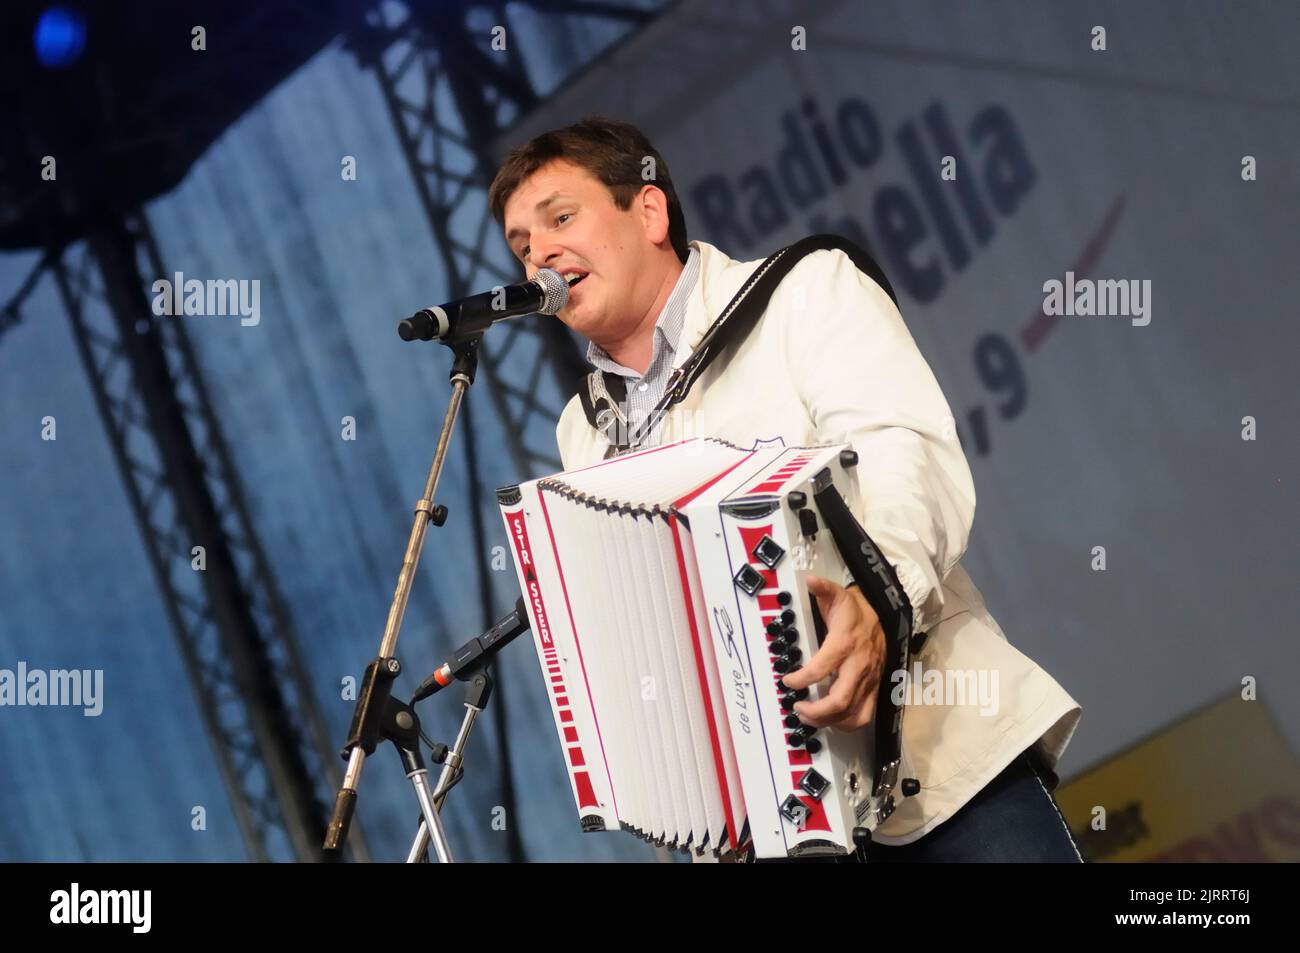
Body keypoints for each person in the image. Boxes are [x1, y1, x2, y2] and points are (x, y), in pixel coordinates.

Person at [489, 116, 1084, 862]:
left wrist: (876, 599)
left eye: (561, 218)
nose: (538, 252)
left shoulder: (802, 290)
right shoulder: (583, 433)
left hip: (938, 766)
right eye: (520, 245)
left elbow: (911, 455)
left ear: (648, 211)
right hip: (772, 838)